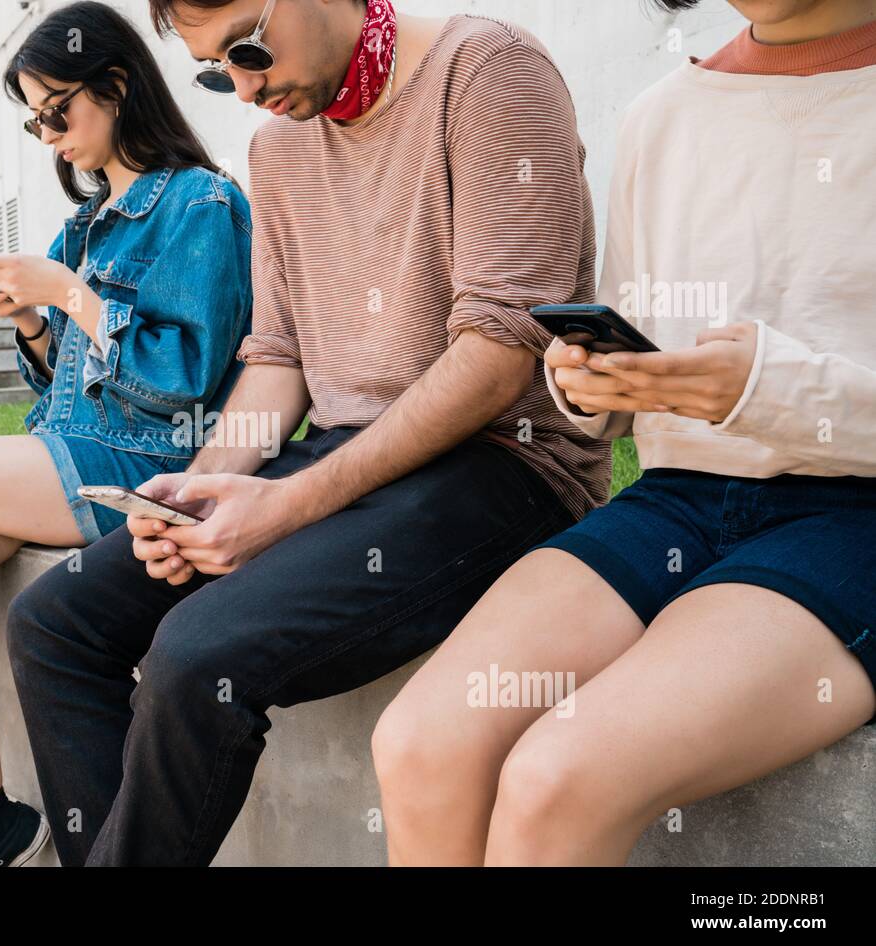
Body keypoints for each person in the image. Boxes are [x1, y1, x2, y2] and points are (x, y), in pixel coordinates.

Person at [5, 0, 610, 865]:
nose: (245, 90)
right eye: (219, 69)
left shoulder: (490, 71)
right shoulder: (279, 145)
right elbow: (281, 356)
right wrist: (191, 491)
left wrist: (287, 505)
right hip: (347, 457)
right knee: (53, 622)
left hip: (506, 466)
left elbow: (498, 359)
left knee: (193, 656)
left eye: (248, 50)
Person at [373, 0, 876, 865]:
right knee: (421, 743)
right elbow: (625, 357)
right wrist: (587, 378)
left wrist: (764, 386)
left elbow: (758, 383)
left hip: (853, 514)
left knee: (558, 778)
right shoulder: (662, 114)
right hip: (676, 501)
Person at [0, 0, 253, 866]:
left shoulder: (201, 202)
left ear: (115, 85)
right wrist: (34, 317)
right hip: (69, 446)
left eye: (56, 110)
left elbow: (180, 378)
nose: (47, 134)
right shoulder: (86, 221)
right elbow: (59, 374)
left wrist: (70, 292)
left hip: (144, 461)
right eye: (33, 119)